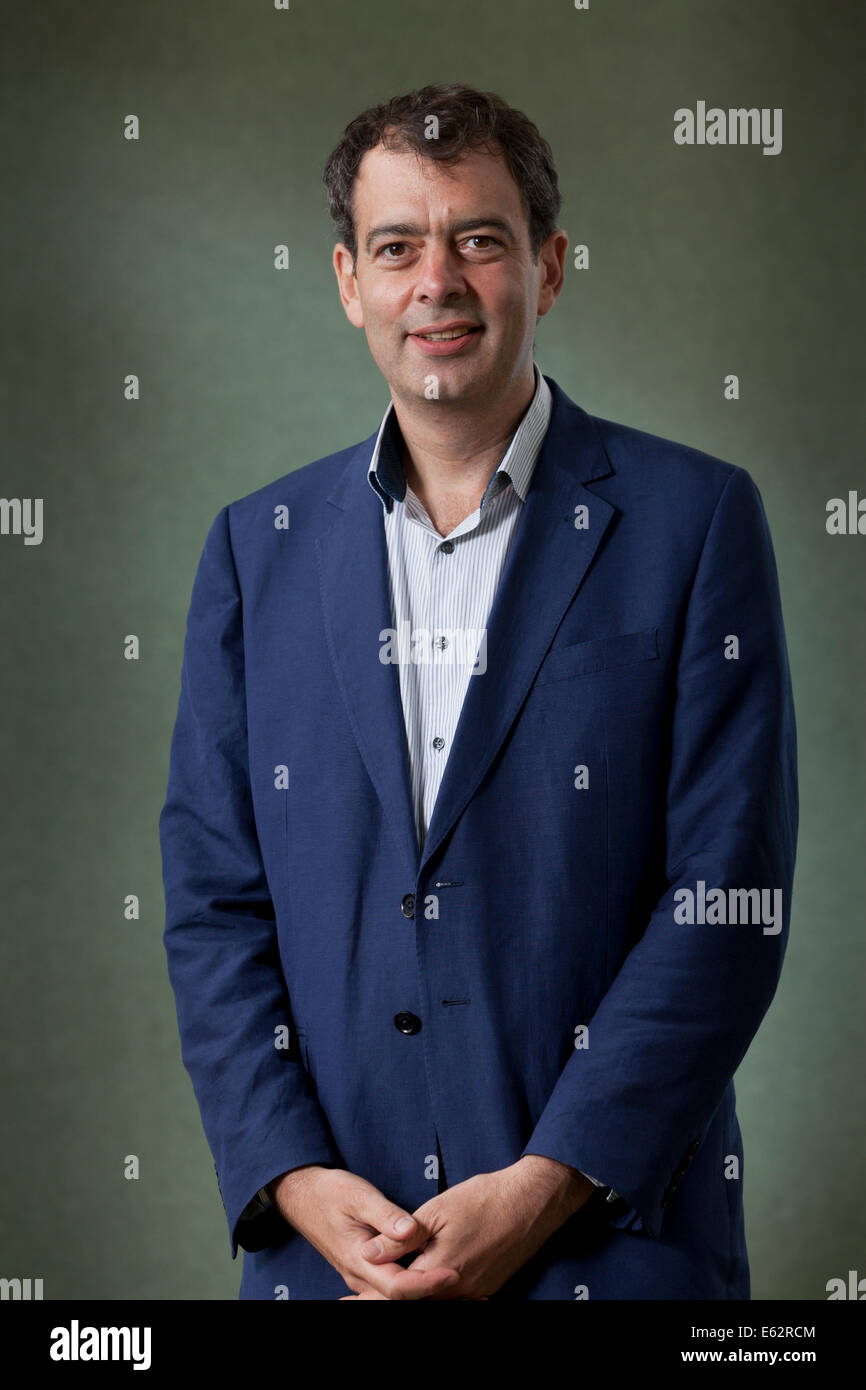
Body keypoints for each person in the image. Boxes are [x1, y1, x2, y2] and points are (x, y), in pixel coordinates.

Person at [159, 83, 798, 1300]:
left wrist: (547, 1181)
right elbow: (211, 904)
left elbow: (728, 893)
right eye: (396, 246)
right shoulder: (257, 550)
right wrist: (290, 1175)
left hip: (613, 1252)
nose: (434, 282)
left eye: (479, 240)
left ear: (547, 269)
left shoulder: (696, 522)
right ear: (349, 281)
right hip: (333, 1260)